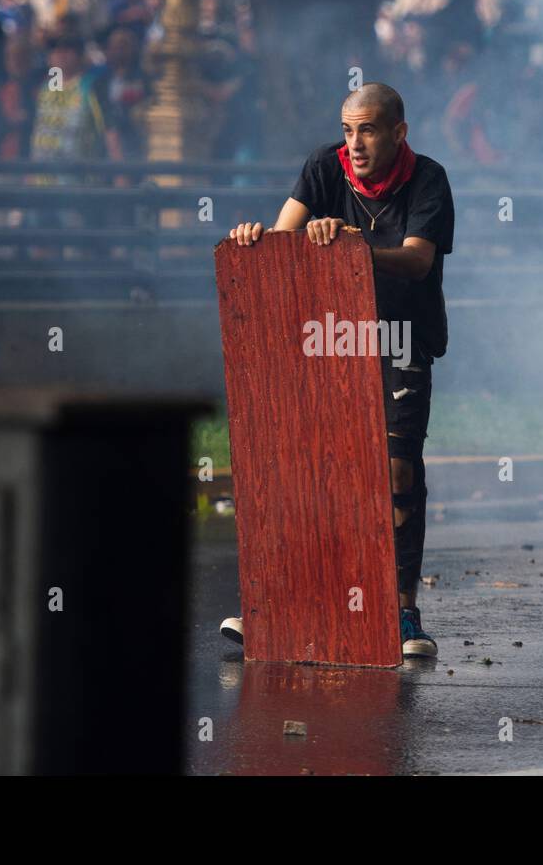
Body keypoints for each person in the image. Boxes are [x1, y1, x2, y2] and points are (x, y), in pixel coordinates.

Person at [221, 82, 454, 659]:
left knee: (397, 471)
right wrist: (257, 240)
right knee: (303, 470)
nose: (355, 142)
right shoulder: (325, 167)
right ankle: (278, 606)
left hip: (400, 337)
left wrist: (351, 247)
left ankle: (402, 612)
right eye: (348, 129)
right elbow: (282, 240)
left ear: (398, 132)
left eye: (368, 129)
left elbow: (419, 259)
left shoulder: (428, 179)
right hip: (327, 336)